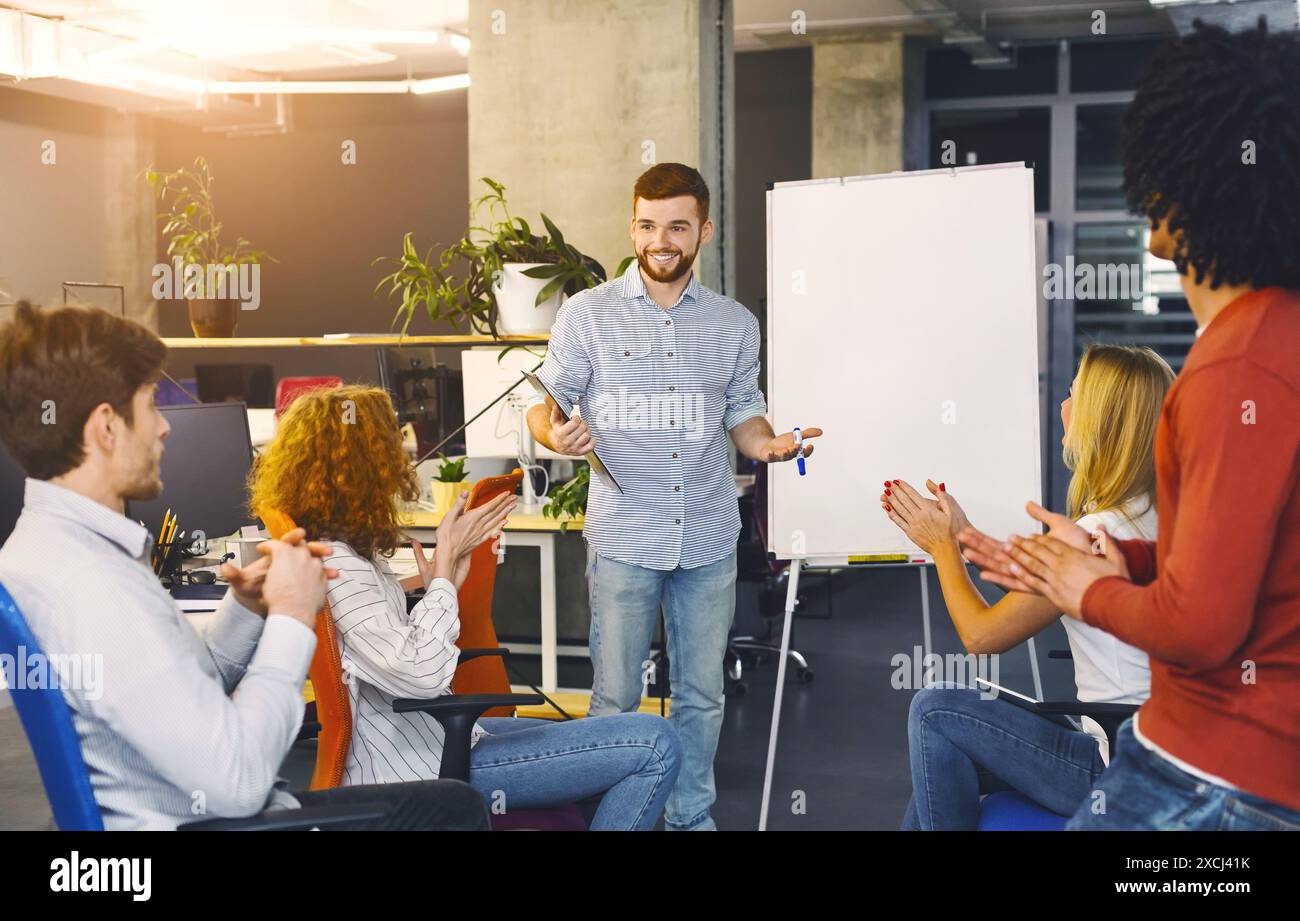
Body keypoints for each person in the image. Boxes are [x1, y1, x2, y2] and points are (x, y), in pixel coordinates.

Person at [960, 20, 1300, 830]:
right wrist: (1126, 556)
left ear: (1177, 194)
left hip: (1213, 771)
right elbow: (1249, 559)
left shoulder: (1235, 368)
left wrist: (1087, 585)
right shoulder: (1272, 336)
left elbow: (1204, 626)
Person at [0, 303, 488, 830]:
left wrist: (249, 608)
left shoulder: (48, 549)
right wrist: (293, 619)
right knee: (454, 808)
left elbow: (179, 691)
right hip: (211, 821)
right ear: (105, 428)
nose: (164, 428)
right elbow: (239, 780)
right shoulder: (95, 584)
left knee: (446, 801)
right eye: (150, 406)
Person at [525, 162, 822, 831]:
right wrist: (556, 434)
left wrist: (768, 445)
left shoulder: (735, 324)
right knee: (616, 698)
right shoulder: (587, 315)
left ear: (704, 231)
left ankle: (690, 818)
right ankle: (618, 818)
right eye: (648, 225)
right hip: (625, 536)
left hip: (709, 537)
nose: (661, 239)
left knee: (701, 696)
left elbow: (744, 415)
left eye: (677, 226)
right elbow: (543, 405)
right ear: (633, 226)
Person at [249, 384, 682, 830]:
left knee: (617, 743)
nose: (400, 457)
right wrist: (440, 580)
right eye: (390, 448)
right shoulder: (341, 567)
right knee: (656, 743)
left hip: (440, 739)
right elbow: (421, 674)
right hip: (419, 765)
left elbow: (400, 661)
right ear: (363, 466)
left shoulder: (344, 553)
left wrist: (446, 578)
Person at [883, 345, 1173, 830]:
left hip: (1120, 772)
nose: (1062, 408)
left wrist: (942, 550)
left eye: (1072, 394)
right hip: (1148, 748)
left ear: (1100, 420)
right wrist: (965, 537)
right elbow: (1036, 584)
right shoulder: (1156, 517)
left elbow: (982, 637)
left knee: (935, 712)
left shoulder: (1097, 532)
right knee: (941, 763)